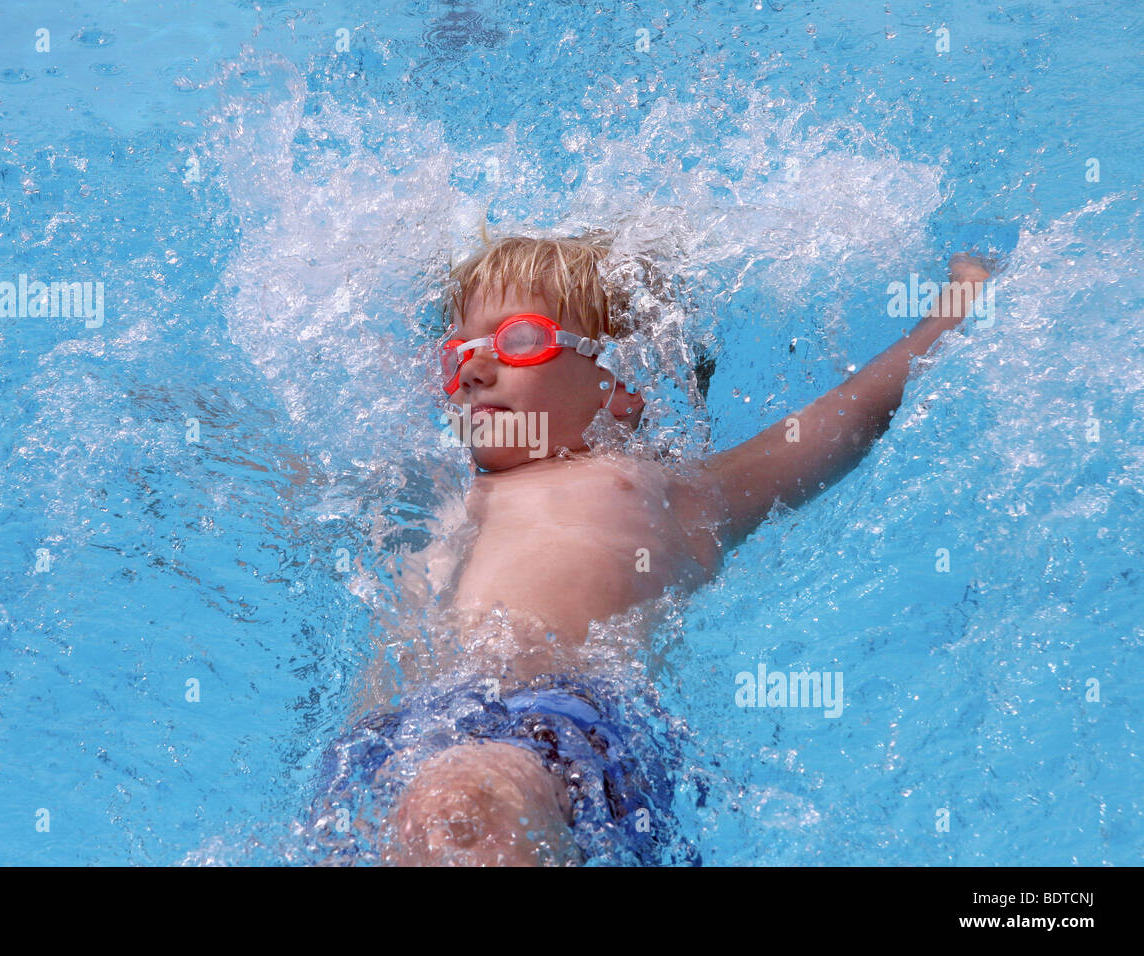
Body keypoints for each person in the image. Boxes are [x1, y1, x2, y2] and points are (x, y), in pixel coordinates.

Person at [314, 232, 993, 865]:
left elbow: (844, 419)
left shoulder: (664, 493)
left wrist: (952, 310)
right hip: (390, 749)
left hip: (555, 728)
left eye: (518, 340)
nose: (475, 368)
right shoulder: (436, 498)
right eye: (458, 352)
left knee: (459, 813)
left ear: (620, 384)